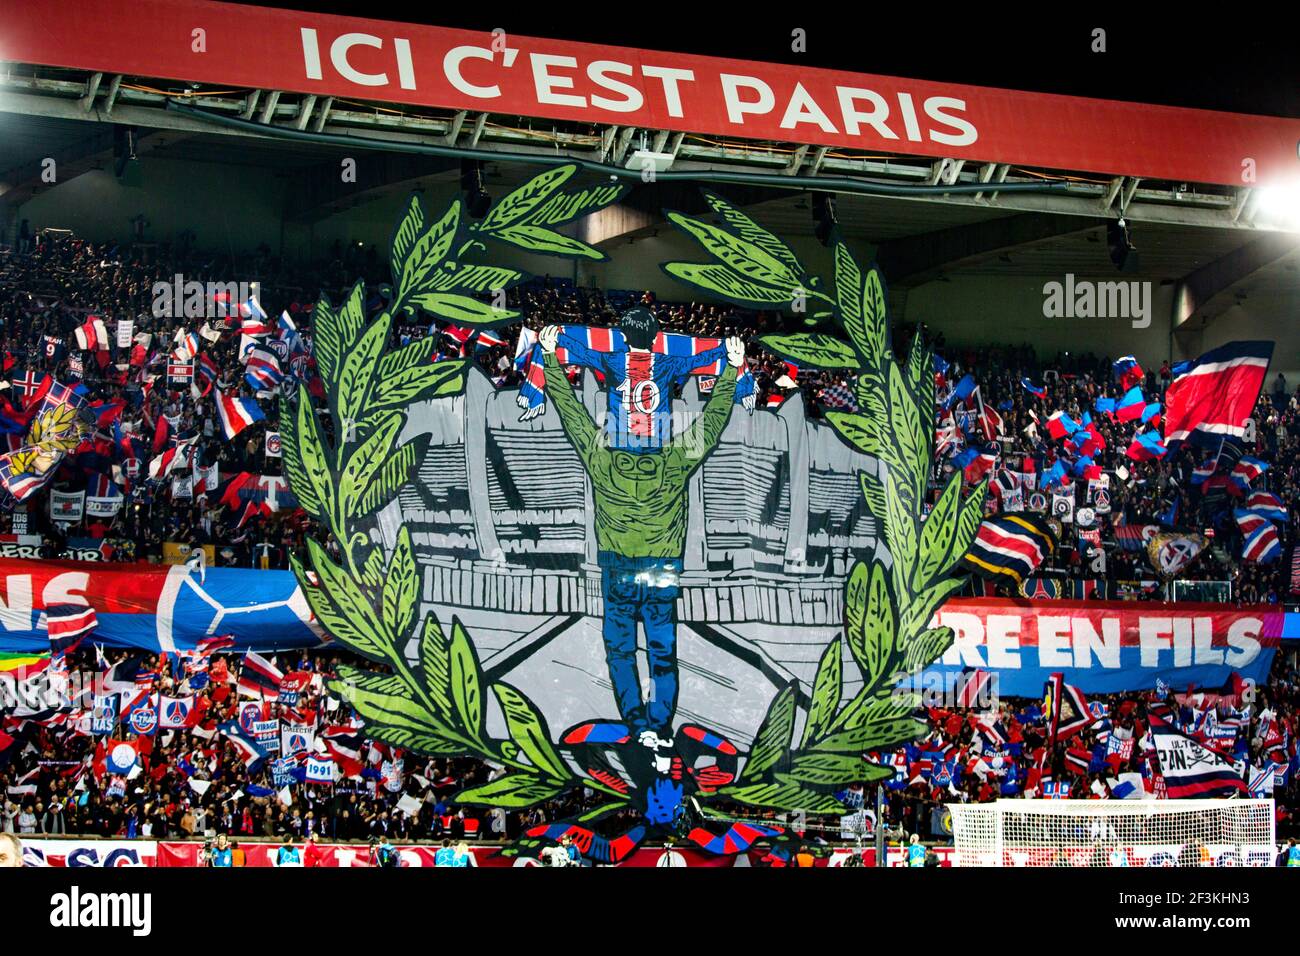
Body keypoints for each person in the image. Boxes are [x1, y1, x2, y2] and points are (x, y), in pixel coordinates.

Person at [538, 323, 744, 761]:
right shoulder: (675, 459)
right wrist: (732, 372)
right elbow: (713, 422)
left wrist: (553, 359)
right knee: (662, 652)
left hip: (617, 569)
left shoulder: (600, 457)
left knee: (619, 650)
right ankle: (660, 726)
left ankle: (637, 726)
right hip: (662, 570)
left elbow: (570, 412)